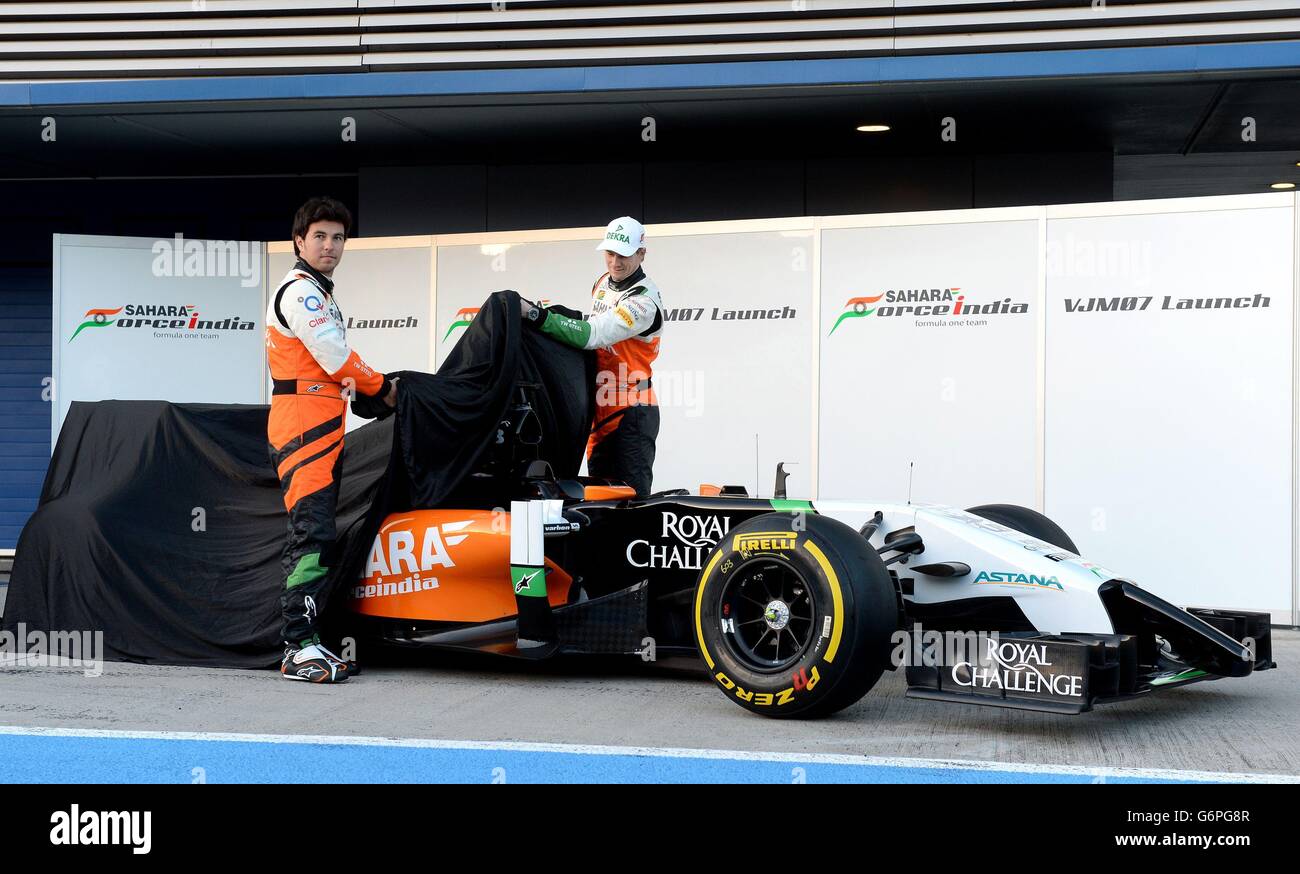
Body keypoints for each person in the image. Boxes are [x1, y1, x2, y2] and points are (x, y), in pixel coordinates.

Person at [266, 196, 397, 683]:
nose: (330, 245)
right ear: (299, 241)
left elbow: (331, 369)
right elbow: (336, 357)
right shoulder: (302, 293)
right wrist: (385, 389)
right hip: (303, 430)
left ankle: (306, 643)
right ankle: (297, 647)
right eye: (319, 236)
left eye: (338, 237)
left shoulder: (318, 291)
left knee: (315, 534)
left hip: (319, 427)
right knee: (313, 537)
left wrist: (369, 394)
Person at [522, 216, 663, 496]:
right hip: (599, 411)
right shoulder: (602, 283)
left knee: (629, 501)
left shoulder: (644, 302)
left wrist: (538, 317)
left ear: (641, 253)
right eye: (610, 254)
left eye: (624, 255)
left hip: (631, 412)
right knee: (599, 498)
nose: (615, 263)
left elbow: (592, 334)